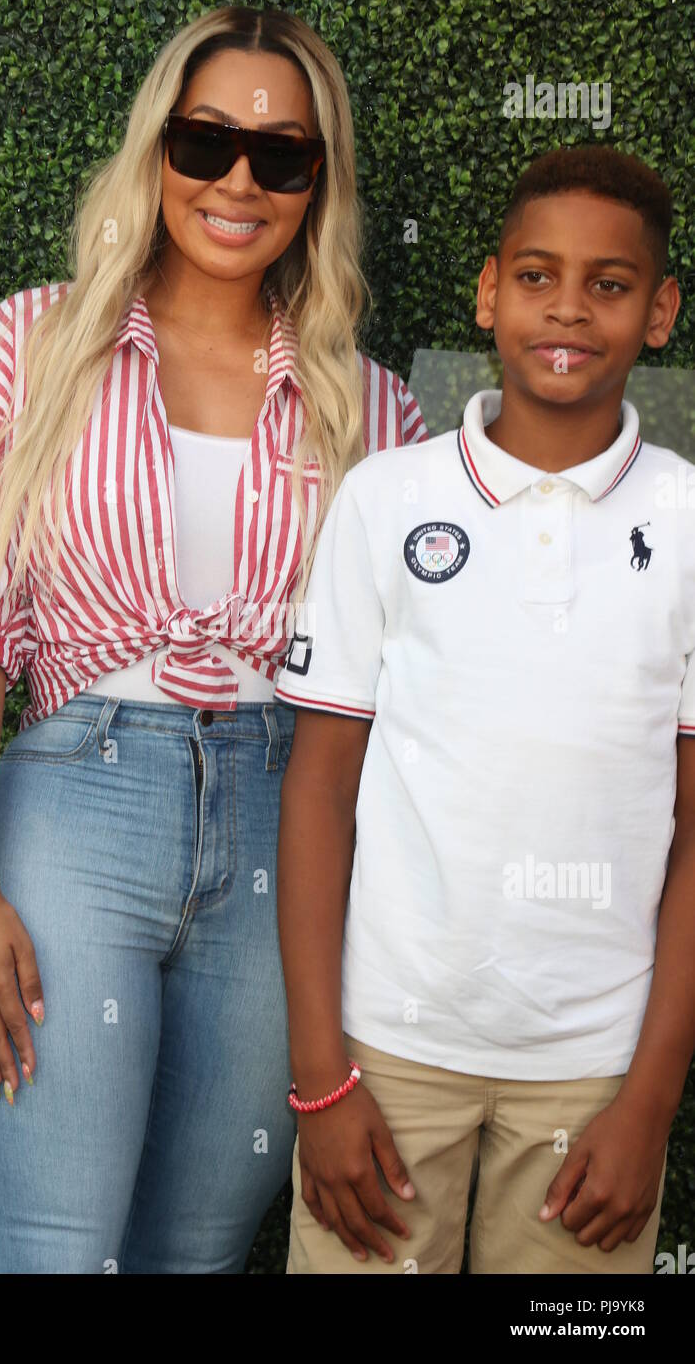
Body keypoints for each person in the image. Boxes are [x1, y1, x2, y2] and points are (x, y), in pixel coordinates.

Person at [0, 4, 426, 1274]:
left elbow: (395, 704)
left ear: (316, 183)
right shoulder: (29, 345)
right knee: (51, 1250)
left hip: (279, 825)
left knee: (193, 1255)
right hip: (75, 813)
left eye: (281, 155)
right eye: (206, 142)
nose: (237, 181)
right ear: (157, 151)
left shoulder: (375, 411)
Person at [274, 143, 693, 1273]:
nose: (566, 308)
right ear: (486, 290)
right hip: (387, 1050)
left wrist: (646, 1102)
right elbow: (318, 790)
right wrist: (321, 1079)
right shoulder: (386, 499)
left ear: (657, 312)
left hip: (591, 1069)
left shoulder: (687, 519)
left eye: (608, 285)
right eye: (535, 275)